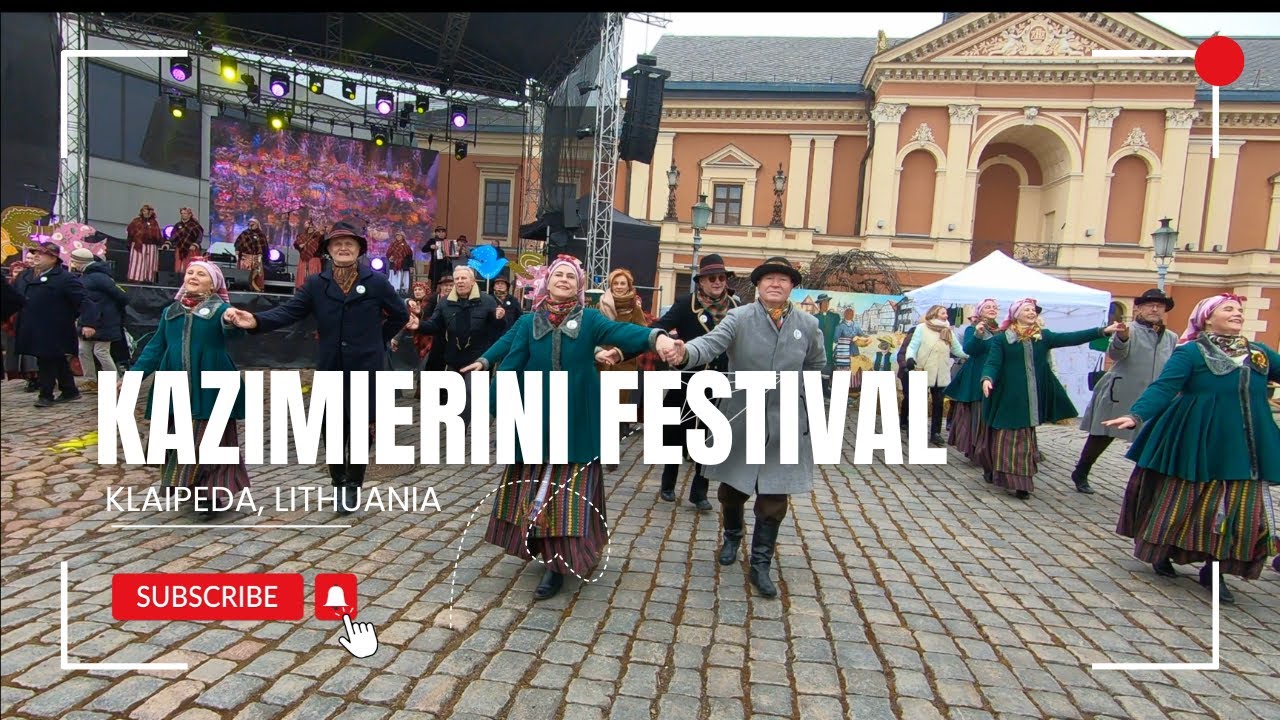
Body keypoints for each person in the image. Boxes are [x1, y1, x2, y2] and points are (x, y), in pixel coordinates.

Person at [460, 255, 679, 601]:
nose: (564, 279)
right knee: (533, 481)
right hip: (535, 413)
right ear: (547, 282)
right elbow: (513, 356)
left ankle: (557, 563)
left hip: (577, 414)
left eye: (571, 276)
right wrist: (492, 391)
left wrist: (658, 339)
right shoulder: (530, 321)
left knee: (566, 487)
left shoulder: (590, 319)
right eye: (558, 274)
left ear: (579, 287)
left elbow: (625, 331)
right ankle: (536, 541)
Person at [665, 256, 826, 599]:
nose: (776, 284)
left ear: (792, 287)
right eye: (769, 279)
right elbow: (710, 344)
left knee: (773, 498)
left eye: (783, 280)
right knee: (732, 491)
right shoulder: (738, 318)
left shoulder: (808, 325)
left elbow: (816, 364)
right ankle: (733, 535)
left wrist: (807, 402)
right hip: (740, 414)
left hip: (784, 422)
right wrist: (684, 352)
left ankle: (760, 563)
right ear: (758, 285)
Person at [225, 220, 408, 514]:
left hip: (366, 368)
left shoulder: (376, 283)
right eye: (338, 244)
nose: (344, 248)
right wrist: (257, 321)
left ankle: (353, 485)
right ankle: (338, 483)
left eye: (350, 243)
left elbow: (399, 315)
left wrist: (378, 342)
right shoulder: (316, 284)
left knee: (360, 429)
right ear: (329, 251)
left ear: (359, 249)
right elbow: (289, 312)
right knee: (331, 429)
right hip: (330, 368)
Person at [1105, 293, 1278, 604]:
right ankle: (1162, 551)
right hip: (1197, 435)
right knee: (1182, 501)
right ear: (1207, 318)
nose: (1237, 313)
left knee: (1238, 508)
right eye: (1229, 309)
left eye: (1239, 309)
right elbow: (1164, 386)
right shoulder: (1193, 353)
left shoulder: (1259, 354)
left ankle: (1215, 569)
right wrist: (1136, 414)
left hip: (1244, 443)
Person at [124, 261, 249, 519]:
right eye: (190, 272)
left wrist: (231, 321)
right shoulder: (171, 312)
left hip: (212, 379)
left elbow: (236, 336)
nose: (193, 276)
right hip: (174, 380)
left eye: (201, 274)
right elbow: (155, 347)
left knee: (213, 437)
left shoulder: (221, 310)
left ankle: (212, 493)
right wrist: (135, 375)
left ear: (213, 284)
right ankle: (190, 487)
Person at [980, 299, 1121, 497]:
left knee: (1025, 437)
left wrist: (1101, 331)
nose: (1031, 313)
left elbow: (1071, 338)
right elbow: (993, 362)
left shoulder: (1042, 337)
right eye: (1026, 309)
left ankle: (1021, 482)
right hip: (1008, 396)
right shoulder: (1001, 339)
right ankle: (1002, 473)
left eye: (1033, 310)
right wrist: (987, 378)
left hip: (1032, 397)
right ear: (1015, 314)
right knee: (1007, 436)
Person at [643, 254, 741, 510]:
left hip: (720, 382)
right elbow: (660, 327)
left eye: (721, 277)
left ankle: (699, 492)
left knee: (709, 437)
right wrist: (668, 346)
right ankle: (668, 483)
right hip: (687, 379)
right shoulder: (686, 303)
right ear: (702, 282)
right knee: (676, 432)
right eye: (712, 278)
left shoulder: (736, 307)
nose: (718, 282)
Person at [1073, 289, 1177, 494]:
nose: (1154, 309)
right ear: (1139, 308)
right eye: (1150, 305)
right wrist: (1122, 339)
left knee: (1150, 437)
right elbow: (1116, 354)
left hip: (1151, 395)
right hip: (1120, 390)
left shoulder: (1171, 337)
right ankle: (1081, 471)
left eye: (1159, 306)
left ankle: (1144, 483)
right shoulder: (1126, 329)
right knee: (1101, 435)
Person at [414, 265, 505, 425]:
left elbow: (497, 330)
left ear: (472, 281)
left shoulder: (487, 300)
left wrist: (499, 318)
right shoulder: (445, 302)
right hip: (454, 358)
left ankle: (468, 424)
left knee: (471, 393)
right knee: (456, 398)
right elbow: (435, 325)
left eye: (464, 278)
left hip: (478, 358)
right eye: (457, 279)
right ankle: (458, 428)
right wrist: (419, 325)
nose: (460, 281)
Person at [13, 242, 91, 407]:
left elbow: (83, 301)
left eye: (40, 254)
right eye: (33, 253)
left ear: (53, 258)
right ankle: (69, 390)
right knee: (56, 358)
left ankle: (46, 395)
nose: (35, 256)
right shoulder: (25, 276)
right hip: (29, 326)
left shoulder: (65, 278)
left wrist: (88, 322)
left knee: (46, 359)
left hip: (54, 328)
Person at [944, 299, 999, 464]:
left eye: (994, 307)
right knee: (979, 412)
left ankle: (993, 447)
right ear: (980, 311)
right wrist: (978, 334)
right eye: (987, 307)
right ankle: (977, 448)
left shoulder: (1001, 331)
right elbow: (968, 349)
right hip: (977, 375)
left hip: (996, 375)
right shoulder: (972, 329)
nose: (992, 309)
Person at [905, 304, 969, 446]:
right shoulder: (922, 328)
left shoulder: (947, 331)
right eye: (943, 313)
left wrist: (969, 356)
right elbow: (913, 346)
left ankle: (935, 433)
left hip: (941, 372)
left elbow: (957, 349)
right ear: (934, 314)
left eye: (946, 313)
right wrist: (910, 358)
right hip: (923, 369)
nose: (946, 315)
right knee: (919, 402)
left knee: (939, 404)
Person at [70, 248, 129, 391]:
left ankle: (114, 381)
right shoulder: (89, 277)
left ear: (78, 262)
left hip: (103, 321)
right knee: (84, 349)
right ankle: (91, 380)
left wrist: (108, 312)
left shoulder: (97, 278)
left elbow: (121, 296)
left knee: (101, 351)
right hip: (92, 320)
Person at [126, 204, 162, 283]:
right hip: (138, 245)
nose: (146, 213)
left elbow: (157, 235)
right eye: (144, 211)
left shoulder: (154, 222)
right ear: (142, 212)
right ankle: (136, 278)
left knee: (150, 264)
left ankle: (149, 279)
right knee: (137, 262)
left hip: (151, 246)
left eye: (148, 211)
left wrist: (161, 243)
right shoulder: (136, 221)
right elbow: (130, 232)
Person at [814, 294, 840, 398]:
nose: (826, 304)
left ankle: (825, 390)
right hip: (817, 348)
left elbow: (838, 326)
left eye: (827, 302)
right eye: (824, 303)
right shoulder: (814, 318)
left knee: (827, 368)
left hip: (829, 348)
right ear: (819, 304)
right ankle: (817, 392)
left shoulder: (834, 317)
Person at [234, 218, 269, 292]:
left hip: (258, 257)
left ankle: (258, 287)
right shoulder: (245, 233)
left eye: (252, 223)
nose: (251, 225)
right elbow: (238, 243)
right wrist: (237, 250)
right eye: (249, 224)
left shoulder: (261, 234)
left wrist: (263, 254)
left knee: (258, 273)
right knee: (246, 273)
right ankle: (246, 287)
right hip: (246, 256)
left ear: (257, 224)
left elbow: (264, 246)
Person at [169, 207, 204, 272]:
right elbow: (173, 236)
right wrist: (168, 242)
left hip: (191, 249)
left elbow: (200, 236)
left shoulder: (195, 225)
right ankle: (179, 280)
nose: (183, 215)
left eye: (185, 213)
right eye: (181, 213)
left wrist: (195, 244)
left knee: (190, 267)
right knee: (178, 268)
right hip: (180, 248)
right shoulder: (178, 225)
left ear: (189, 214)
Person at [293, 219, 324, 289]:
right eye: (306, 223)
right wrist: (299, 246)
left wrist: (320, 235)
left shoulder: (318, 236)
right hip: (303, 259)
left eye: (310, 224)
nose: (309, 225)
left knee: (313, 278)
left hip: (314, 258)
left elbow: (322, 246)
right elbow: (296, 245)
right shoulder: (301, 236)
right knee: (302, 279)